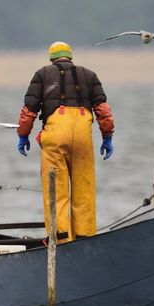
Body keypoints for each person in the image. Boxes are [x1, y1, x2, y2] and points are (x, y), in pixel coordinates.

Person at [16, 40, 115, 241]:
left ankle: (60, 237)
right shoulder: (90, 75)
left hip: (55, 136)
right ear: (70, 56)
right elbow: (103, 111)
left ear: (51, 58)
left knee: (56, 191)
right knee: (84, 190)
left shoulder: (42, 74)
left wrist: (23, 135)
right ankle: (85, 235)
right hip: (82, 136)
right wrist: (107, 137)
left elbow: (29, 111)